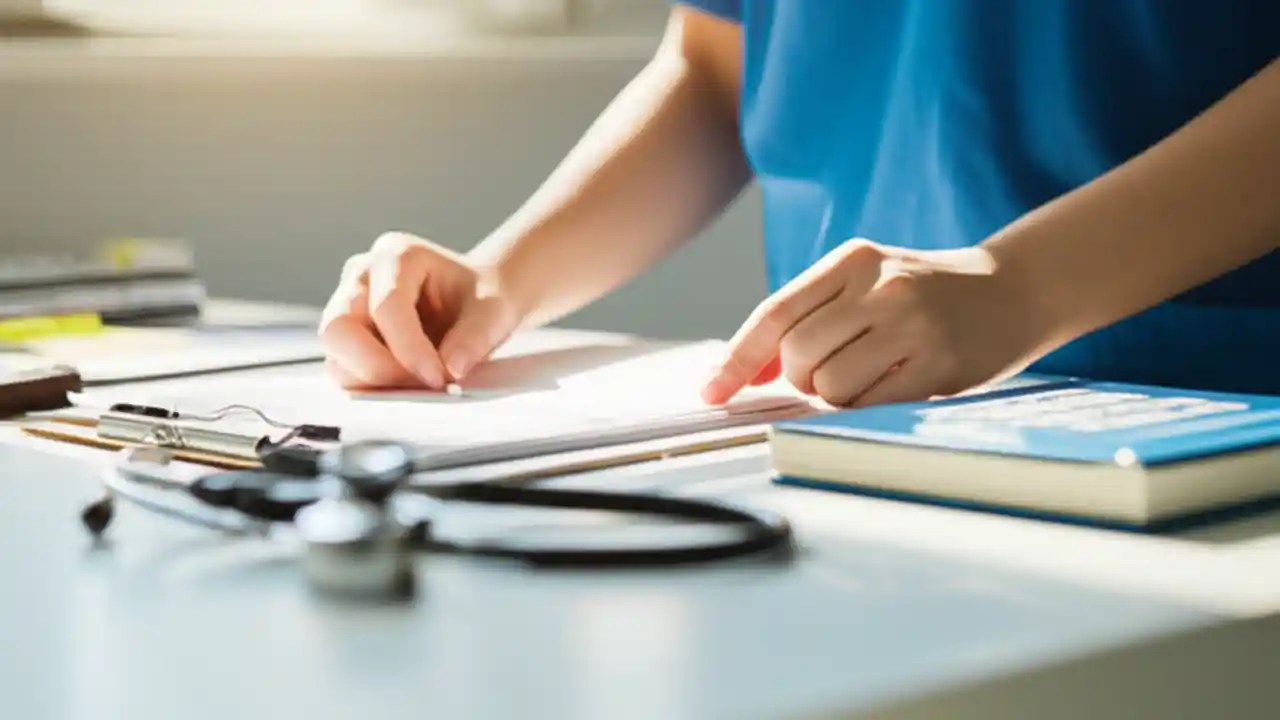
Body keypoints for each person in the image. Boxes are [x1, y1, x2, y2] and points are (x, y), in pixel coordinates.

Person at [319, 1, 1279, 407]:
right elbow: (714, 68)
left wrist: (1018, 287)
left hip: (1205, 405)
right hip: (851, 415)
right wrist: (502, 276)